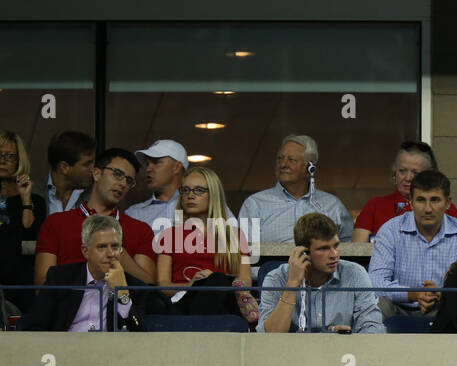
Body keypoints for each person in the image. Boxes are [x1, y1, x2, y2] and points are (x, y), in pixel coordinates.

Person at [34, 147, 156, 285]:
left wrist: (119, 253)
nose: (123, 184)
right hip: (69, 304)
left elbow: (148, 290)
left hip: (119, 304)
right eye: (117, 174)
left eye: (129, 181)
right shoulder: (57, 223)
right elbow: (42, 284)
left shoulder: (140, 230)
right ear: (96, 173)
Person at [368, 169, 457, 318]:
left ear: (448, 203)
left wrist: (441, 293)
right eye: (421, 200)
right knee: (376, 305)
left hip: (444, 309)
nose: (427, 209)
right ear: (411, 203)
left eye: (435, 200)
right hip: (398, 307)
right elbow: (375, 281)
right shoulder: (390, 230)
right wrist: (412, 294)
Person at [155, 165, 257, 323]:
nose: (190, 196)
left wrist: (213, 281)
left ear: (213, 195)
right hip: (185, 303)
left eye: (199, 190)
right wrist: (191, 285)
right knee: (214, 283)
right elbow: (163, 285)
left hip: (224, 303)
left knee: (217, 280)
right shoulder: (169, 235)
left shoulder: (234, 235)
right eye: (185, 190)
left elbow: (246, 280)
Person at [257, 213, 382, 334]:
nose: (334, 255)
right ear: (303, 252)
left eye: (336, 246)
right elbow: (270, 337)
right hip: (292, 353)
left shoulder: (355, 274)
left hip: (342, 353)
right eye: (324, 248)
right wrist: (292, 284)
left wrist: (350, 337)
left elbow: (373, 328)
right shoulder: (276, 278)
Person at [19, 215, 144, 332]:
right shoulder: (61, 278)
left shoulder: (133, 286)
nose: (111, 253)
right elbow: (33, 325)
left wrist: (122, 294)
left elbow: (139, 334)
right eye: (102, 247)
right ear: (85, 251)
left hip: (110, 352)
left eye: (115, 246)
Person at [237, 134, 353, 244]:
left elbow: (350, 251)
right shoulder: (255, 204)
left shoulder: (333, 206)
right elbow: (244, 256)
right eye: (280, 158)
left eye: (292, 160)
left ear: (310, 168)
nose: (283, 164)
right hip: (271, 265)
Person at [353, 140, 457, 242]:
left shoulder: (447, 209)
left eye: (416, 173)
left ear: (429, 175)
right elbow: (358, 252)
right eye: (402, 171)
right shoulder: (375, 206)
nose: (408, 178)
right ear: (395, 173)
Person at [0, 130, 45, 308]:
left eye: (10, 156)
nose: (3, 160)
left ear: (19, 160)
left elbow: (30, 236)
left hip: (21, 283)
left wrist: (26, 200)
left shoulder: (36, 201)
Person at [126, 139, 187, 229]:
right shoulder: (134, 214)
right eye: (147, 164)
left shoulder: (200, 208)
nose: (148, 169)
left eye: (156, 162)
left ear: (177, 167)